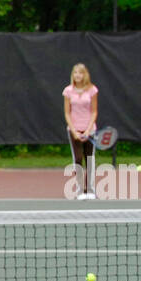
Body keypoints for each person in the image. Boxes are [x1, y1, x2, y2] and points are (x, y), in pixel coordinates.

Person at [62, 63, 99, 199]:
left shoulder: (92, 90)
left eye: (80, 73)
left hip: (90, 130)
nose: (78, 75)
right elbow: (67, 113)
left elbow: (94, 111)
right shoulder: (68, 91)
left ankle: (89, 190)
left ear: (85, 75)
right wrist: (74, 131)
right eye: (75, 73)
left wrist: (88, 130)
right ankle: (79, 190)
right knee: (77, 159)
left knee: (90, 159)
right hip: (74, 130)